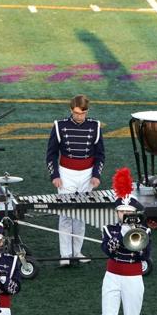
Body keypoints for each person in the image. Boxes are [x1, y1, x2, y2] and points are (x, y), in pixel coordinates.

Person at [89, 168, 150, 315]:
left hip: (133, 277)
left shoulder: (144, 230)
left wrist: (134, 233)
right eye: (122, 211)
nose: (124, 214)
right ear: (116, 212)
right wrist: (121, 235)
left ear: (135, 213)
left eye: (128, 212)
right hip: (113, 275)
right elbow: (107, 250)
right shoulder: (109, 229)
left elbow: (145, 255)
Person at [45, 94, 104, 266]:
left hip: (87, 176)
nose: (80, 116)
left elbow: (100, 154)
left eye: (83, 113)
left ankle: (77, 252)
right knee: (65, 215)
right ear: (71, 110)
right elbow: (51, 154)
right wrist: (55, 175)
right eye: (77, 113)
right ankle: (65, 255)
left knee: (81, 215)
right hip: (66, 174)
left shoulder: (95, 126)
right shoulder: (60, 126)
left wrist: (96, 175)